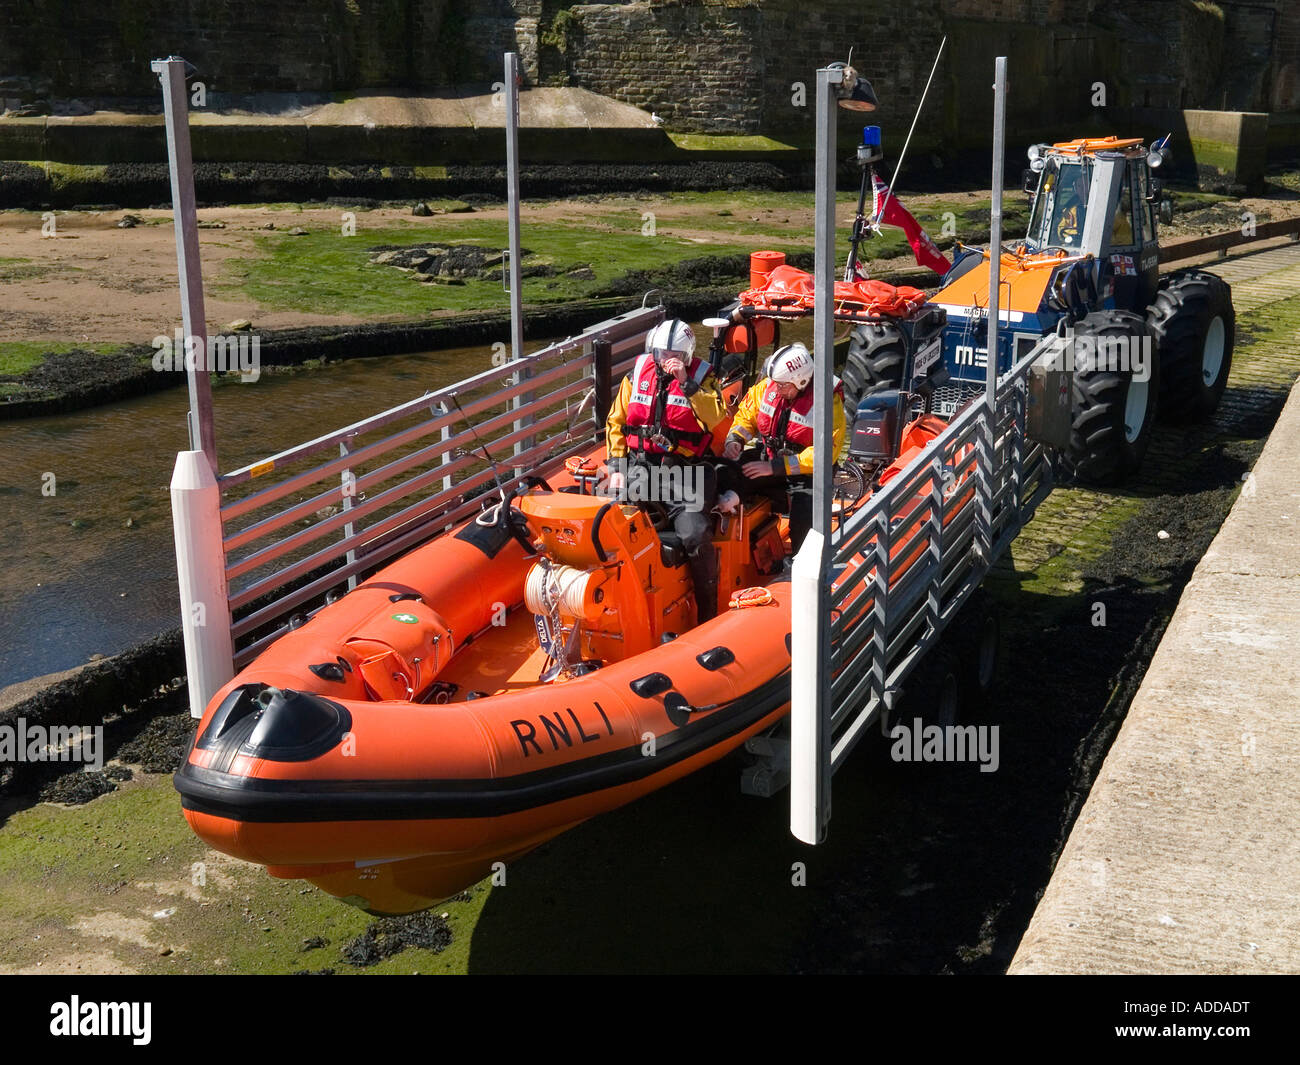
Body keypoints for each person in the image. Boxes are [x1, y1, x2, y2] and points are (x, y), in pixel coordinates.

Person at [605, 317, 728, 621]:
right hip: (640, 467)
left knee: (695, 535)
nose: (666, 361)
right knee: (611, 522)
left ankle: (708, 613)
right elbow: (616, 422)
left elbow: (715, 418)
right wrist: (617, 467)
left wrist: (686, 382)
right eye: (662, 354)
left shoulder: (703, 379)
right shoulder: (636, 375)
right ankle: (615, 603)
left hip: (685, 474)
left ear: (686, 356)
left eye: (674, 356)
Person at [722, 342, 845, 551]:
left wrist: (776, 467)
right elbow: (746, 416)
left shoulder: (827, 402)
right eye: (775, 383)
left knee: (804, 520)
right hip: (771, 459)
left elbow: (825, 453)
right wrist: (735, 440)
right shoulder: (769, 386)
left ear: (801, 381)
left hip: (806, 474)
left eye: (783, 385)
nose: (777, 389)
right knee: (727, 471)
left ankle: (802, 566)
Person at [1054, 167, 1090, 246]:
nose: (1084, 190)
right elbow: (1061, 229)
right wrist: (1073, 236)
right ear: (1076, 188)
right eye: (1080, 186)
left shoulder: (1107, 210)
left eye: (1087, 186)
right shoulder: (1069, 210)